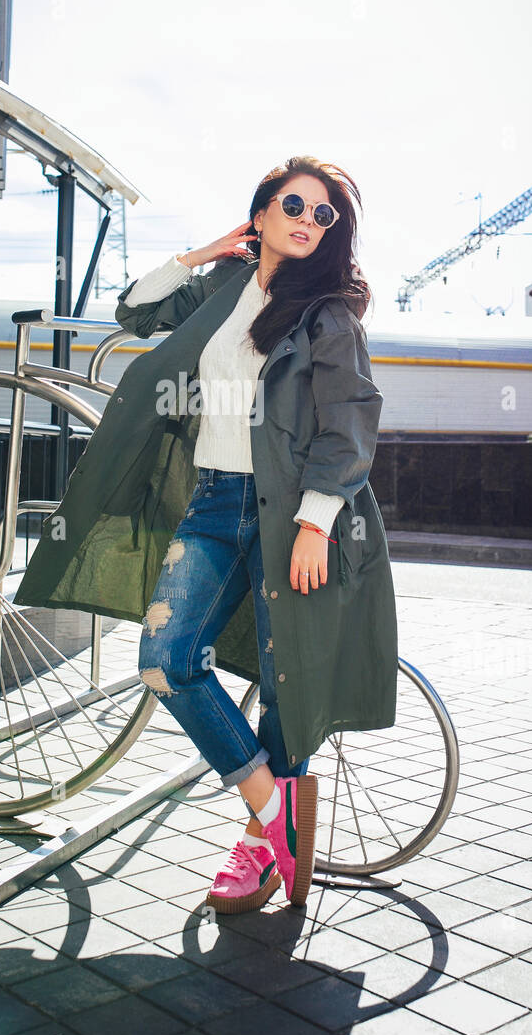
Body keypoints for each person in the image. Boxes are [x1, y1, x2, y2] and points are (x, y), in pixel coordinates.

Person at [113, 155, 385, 913]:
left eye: (324, 214)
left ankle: (262, 852)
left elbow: (351, 421)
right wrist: (202, 253)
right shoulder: (222, 290)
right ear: (261, 213)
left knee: (282, 677)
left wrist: (314, 524)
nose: (307, 219)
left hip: (289, 513)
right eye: (292, 204)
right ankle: (277, 819)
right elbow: (133, 313)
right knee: (166, 661)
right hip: (212, 504)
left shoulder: (328, 315)